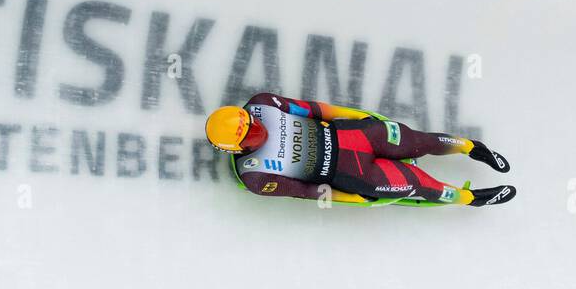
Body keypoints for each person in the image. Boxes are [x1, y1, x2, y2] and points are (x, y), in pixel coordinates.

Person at [204, 93, 515, 207]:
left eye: (253, 124)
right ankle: (470, 198)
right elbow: (306, 192)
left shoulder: (263, 105)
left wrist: (357, 117)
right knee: (417, 183)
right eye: (251, 136)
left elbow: (317, 110)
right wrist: (353, 198)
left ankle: (471, 147)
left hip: (356, 135)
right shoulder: (256, 176)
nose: (259, 130)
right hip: (352, 174)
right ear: (237, 149)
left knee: (420, 141)